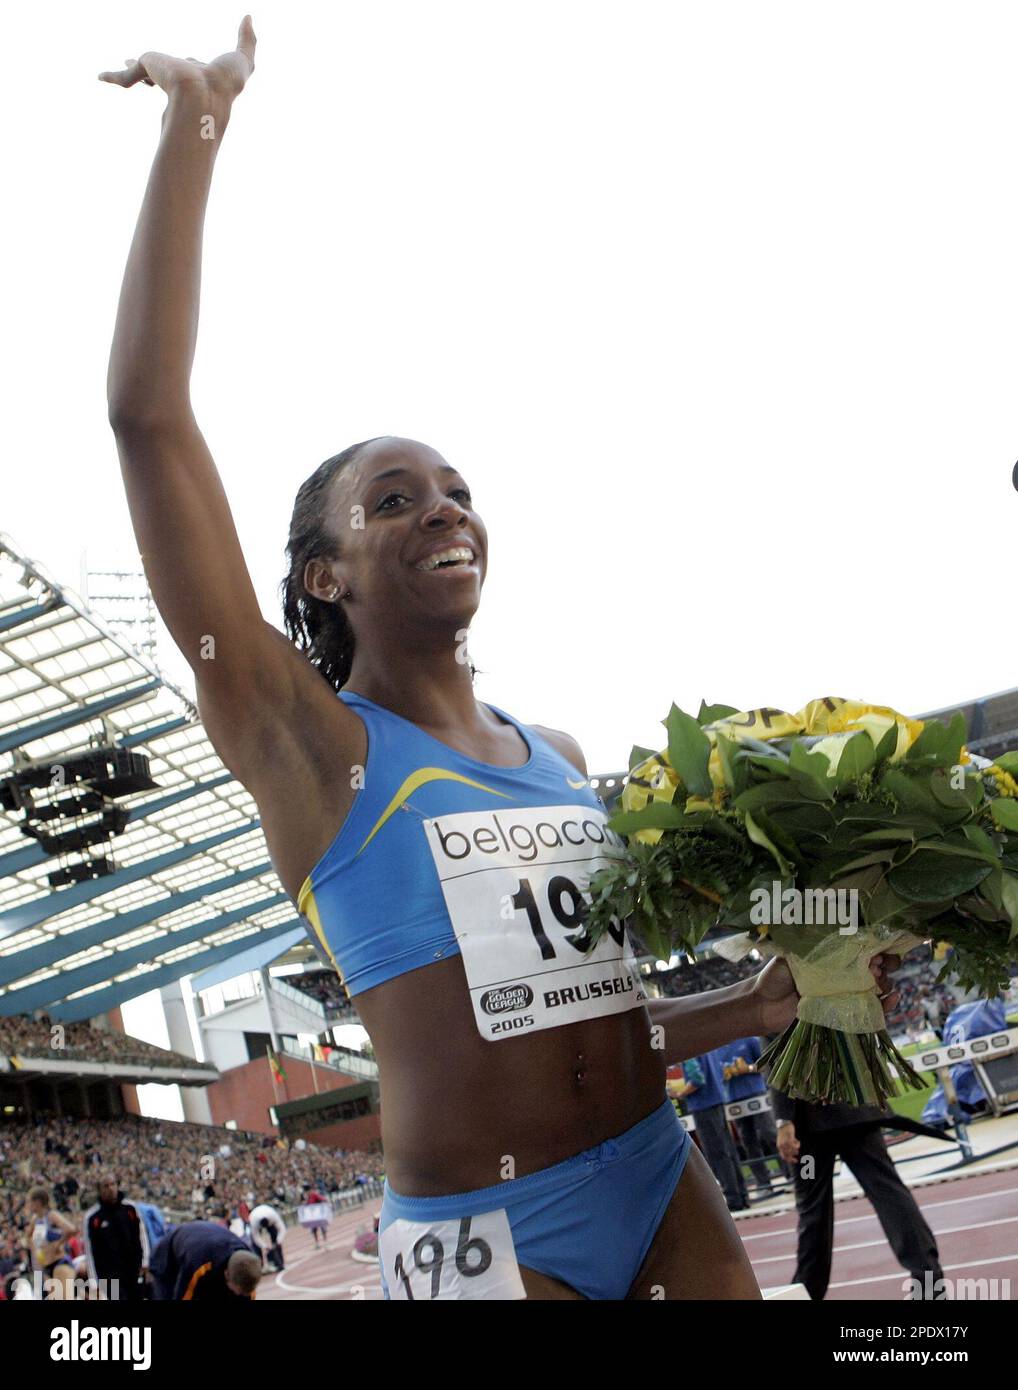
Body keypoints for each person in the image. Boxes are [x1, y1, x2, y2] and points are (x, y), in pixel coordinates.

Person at [100, 20, 902, 1302]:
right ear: (324, 575)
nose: (444, 508)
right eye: (396, 498)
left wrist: (752, 1003)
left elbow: (595, 1019)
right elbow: (147, 420)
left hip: (660, 1172)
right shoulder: (308, 747)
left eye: (459, 489)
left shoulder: (563, 759)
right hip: (486, 1235)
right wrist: (199, 119)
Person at [775, 1090, 945, 1301]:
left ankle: (806, 1292)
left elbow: (777, 1062)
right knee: (889, 1195)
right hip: (857, 1112)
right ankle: (929, 1285)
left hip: (810, 1131)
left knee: (813, 1209)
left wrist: (783, 1120)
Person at [678, 1049, 749, 1211]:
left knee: (717, 1153)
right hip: (717, 1099)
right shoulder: (708, 1047)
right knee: (728, 1150)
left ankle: (732, 1197)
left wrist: (679, 1093)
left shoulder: (688, 1050)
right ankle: (742, 1194)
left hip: (703, 1105)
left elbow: (696, 1079)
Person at [718, 1036, 780, 1194]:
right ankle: (763, 1183)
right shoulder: (716, 1049)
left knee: (770, 1133)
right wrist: (724, 1074)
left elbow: (766, 1064)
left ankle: (791, 1174)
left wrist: (748, 1069)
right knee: (748, 1142)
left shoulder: (749, 1040)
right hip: (733, 1100)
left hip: (756, 1094)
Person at [148, 1221, 262, 1301]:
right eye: (239, 1291)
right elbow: (183, 1296)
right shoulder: (197, 1263)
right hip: (168, 1265)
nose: (239, 1294)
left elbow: (247, 1294)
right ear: (226, 1274)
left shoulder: (249, 1264)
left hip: (210, 1250)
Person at [81, 1173, 150, 1300]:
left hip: (133, 1270)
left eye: (113, 1184)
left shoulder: (130, 1208)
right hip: (109, 1276)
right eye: (106, 1186)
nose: (110, 1189)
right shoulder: (92, 1217)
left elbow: (142, 1236)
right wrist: (93, 1280)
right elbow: (89, 1250)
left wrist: (145, 1261)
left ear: (118, 1185)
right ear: (100, 1190)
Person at [25, 1187, 78, 1298]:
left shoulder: (51, 1215)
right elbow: (28, 1237)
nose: (28, 1204)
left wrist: (59, 1243)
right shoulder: (35, 1219)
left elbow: (72, 1229)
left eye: (29, 1201)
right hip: (46, 1267)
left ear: (38, 1202)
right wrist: (35, 1251)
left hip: (60, 1262)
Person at [248, 1202, 286, 1271]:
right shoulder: (253, 1221)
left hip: (269, 1213)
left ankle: (280, 1263)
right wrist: (264, 1246)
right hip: (254, 1216)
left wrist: (279, 1240)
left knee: (276, 1240)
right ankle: (260, 1266)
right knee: (255, 1246)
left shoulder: (273, 1215)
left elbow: (282, 1229)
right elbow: (255, 1236)